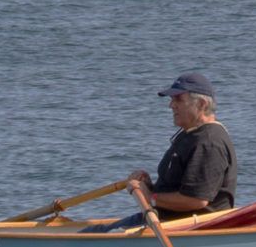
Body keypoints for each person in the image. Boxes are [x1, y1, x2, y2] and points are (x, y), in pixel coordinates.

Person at [80, 72, 237, 233]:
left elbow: (196, 200)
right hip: (163, 219)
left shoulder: (209, 142)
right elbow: (180, 189)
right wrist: (149, 186)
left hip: (186, 228)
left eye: (178, 99)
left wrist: (150, 197)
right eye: (172, 99)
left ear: (202, 104)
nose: (171, 105)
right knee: (92, 231)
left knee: (90, 235)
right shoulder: (190, 135)